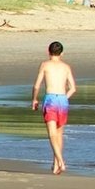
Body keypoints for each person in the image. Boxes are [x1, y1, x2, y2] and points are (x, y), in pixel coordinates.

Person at [31, 41, 77, 174]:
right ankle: (56, 164)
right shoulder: (66, 67)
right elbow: (73, 88)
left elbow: (37, 85)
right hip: (62, 99)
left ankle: (60, 161)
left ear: (48, 51)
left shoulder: (45, 65)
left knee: (52, 134)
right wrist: (64, 98)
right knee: (59, 134)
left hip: (50, 99)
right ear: (62, 53)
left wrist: (34, 99)